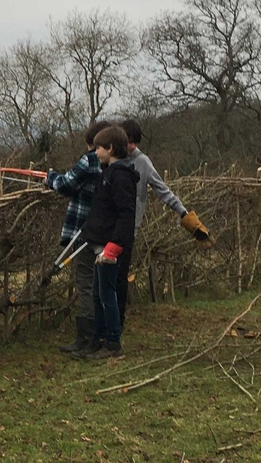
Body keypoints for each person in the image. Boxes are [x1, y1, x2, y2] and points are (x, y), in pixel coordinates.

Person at [117, 120, 212, 326]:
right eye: (128, 141)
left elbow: (163, 191)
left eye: (134, 142)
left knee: (120, 275)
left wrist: (184, 213)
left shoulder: (143, 162)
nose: (131, 146)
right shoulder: (112, 159)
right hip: (107, 225)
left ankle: (118, 322)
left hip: (128, 228)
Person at [45, 120, 111, 355]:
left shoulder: (90, 160)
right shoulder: (115, 164)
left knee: (85, 283)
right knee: (101, 284)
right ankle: (101, 334)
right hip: (105, 233)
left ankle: (87, 338)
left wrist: (50, 177)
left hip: (84, 232)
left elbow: (66, 184)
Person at [77, 126, 138, 359]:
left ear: (110, 148)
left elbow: (125, 214)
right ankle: (98, 339)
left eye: (98, 148)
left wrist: (113, 247)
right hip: (100, 245)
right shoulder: (108, 174)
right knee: (97, 295)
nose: (95, 152)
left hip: (109, 247)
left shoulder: (120, 177)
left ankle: (113, 343)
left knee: (107, 296)